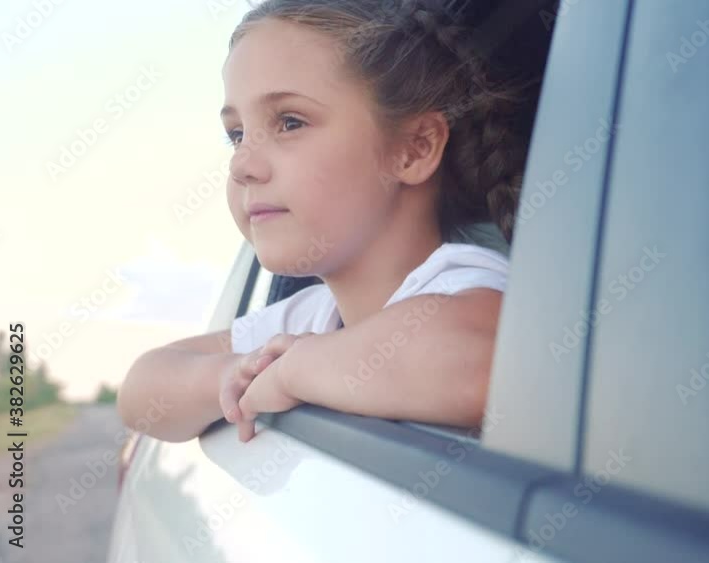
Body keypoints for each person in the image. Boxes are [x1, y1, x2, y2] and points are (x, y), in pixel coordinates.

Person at [117, 0, 535, 443]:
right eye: (237, 134)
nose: (241, 165)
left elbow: (480, 366)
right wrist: (235, 374)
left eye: (290, 122)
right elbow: (141, 392)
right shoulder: (310, 317)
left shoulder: (462, 281)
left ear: (414, 148)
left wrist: (291, 373)